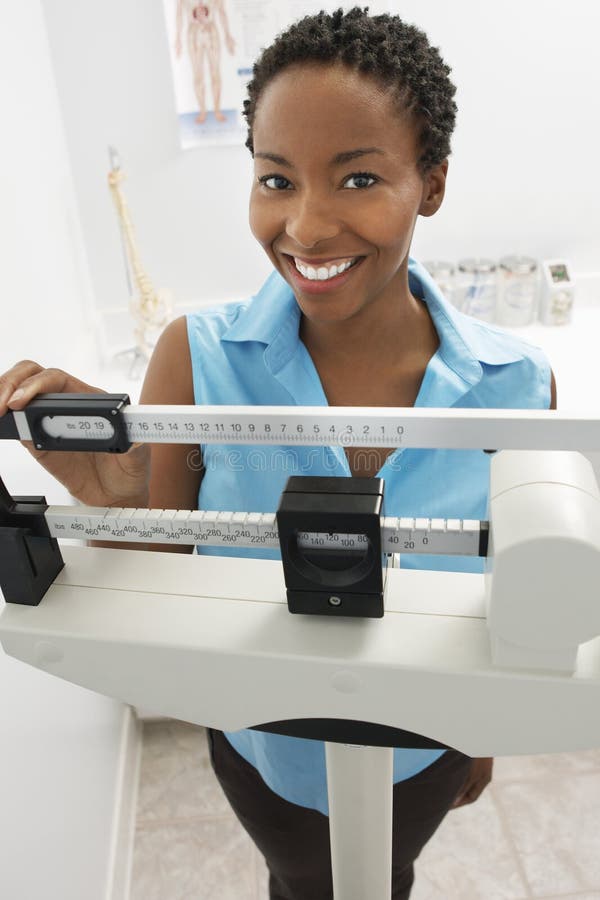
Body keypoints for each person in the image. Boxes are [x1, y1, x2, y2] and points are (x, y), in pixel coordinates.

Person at [0, 8, 556, 899]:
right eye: (274, 178)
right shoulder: (197, 355)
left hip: (427, 745)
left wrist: (481, 731)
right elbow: (161, 572)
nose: (305, 225)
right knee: (302, 882)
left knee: (392, 874)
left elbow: (509, 593)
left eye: (359, 177)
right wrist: (111, 496)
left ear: (434, 182)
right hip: (269, 746)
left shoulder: (520, 386)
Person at [175, 0, 236, 124]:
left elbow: (222, 11)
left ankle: (217, 110)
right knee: (198, 74)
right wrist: (178, 39)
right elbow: (179, 13)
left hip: (211, 32)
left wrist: (227, 35)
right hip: (193, 34)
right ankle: (202, 111)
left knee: (215, 72)